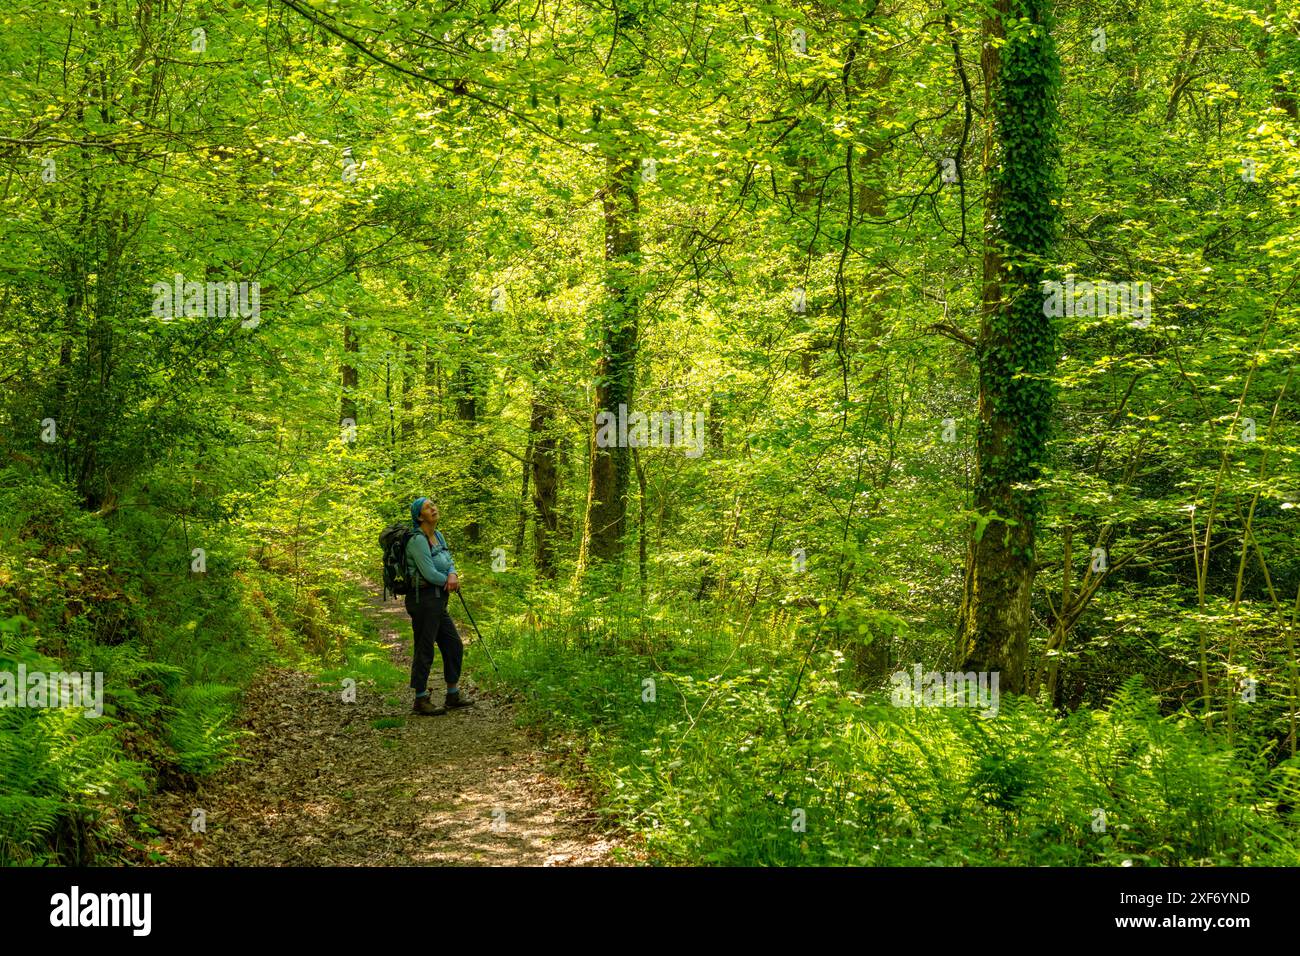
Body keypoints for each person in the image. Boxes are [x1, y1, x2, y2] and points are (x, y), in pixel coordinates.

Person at [404, 497, 475, 716]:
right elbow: (428, 573)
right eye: (427, 507)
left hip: (438, 599)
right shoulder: (417, 540)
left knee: (454, 644)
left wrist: (452, 572)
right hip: (423, 600)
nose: (433, 508)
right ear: (419, 517)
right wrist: (449, 580)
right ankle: (420, 699)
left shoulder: (439, 535)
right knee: (425, 647)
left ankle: (452, 694)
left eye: (434, 504)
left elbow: (448, 560)